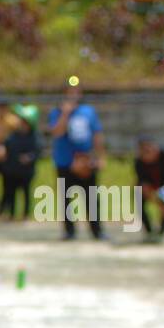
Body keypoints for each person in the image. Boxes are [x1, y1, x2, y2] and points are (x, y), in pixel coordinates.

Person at [48, 80, 106, 239]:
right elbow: (57, 132)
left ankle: (97, 231)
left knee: (92, 198)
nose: (73, 94)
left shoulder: (88, 111)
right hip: (64, 161)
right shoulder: (56, 112)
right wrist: (65, 113)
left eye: (76, 91)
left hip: (86, 161)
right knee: (66, 199)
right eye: (70, 91)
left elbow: (97, 134)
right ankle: (69, 231)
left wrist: (100, 157)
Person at [133, 137, 164, 243]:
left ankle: (162, 231)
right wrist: (155, 200)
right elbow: (144, 184)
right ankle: (149, 231)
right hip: (149, 185)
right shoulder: (139, 162)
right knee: (139, 199)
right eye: (143, 151)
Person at [0, 104, 41, 221]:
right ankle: (11, 214)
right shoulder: (13, 135)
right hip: (11, 168)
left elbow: (38, 152)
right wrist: (1, 149)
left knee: (26, 193)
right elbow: (5, 144)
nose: (21, 124)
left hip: (26, 171)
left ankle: (25, 215)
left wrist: (29, 157)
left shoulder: (34, 137)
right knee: (10, 192)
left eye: (24, 122)